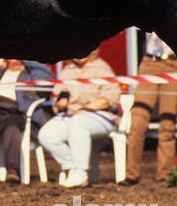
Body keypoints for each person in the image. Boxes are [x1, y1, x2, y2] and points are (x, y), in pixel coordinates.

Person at [38, 49, 121, 188]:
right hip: (71, 115)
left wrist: (84, 109)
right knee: (46, 134)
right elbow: (57, 98)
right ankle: (72, 166)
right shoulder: (67, 71)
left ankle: (81, 171)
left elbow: (110, 99)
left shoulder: (102, 68)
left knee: (79, 123)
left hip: (102, 116)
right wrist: (60, 103)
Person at [122, 32, 177, 186]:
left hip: (173, 64)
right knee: (138, 121)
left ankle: (165, 174)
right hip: (150, 63)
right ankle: (132, 174)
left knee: (168, 123)